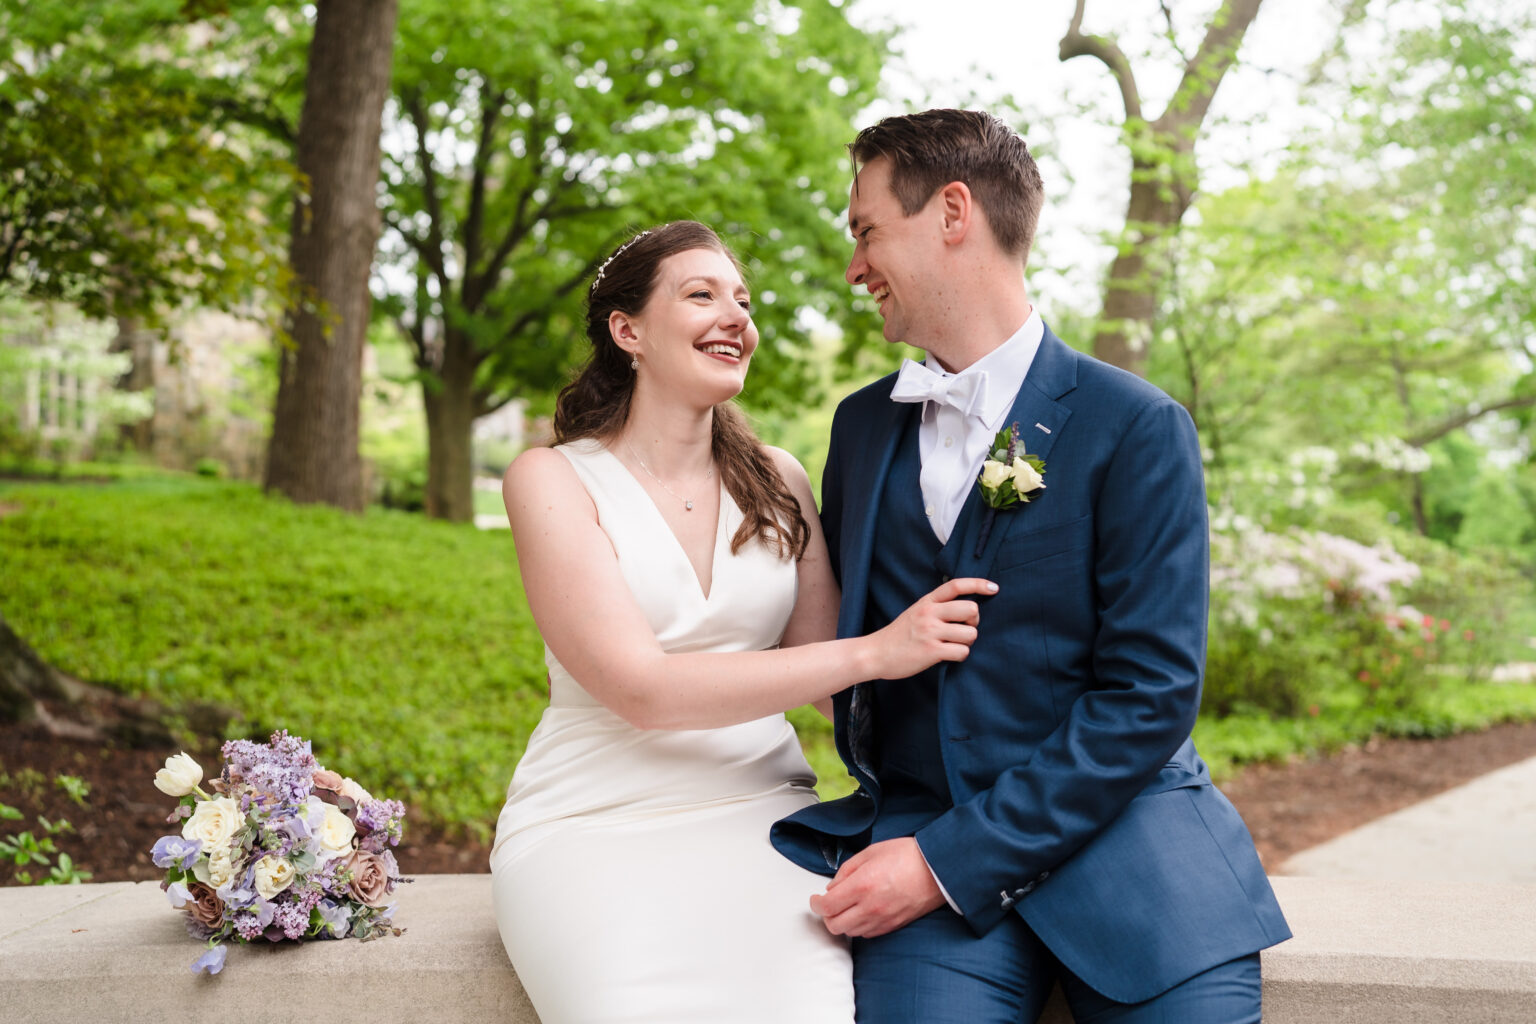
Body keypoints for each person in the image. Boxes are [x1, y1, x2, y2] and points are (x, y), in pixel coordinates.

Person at [770, 110, 1292, 1023]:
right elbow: (847, 653)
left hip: (1132, 854)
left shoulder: (1135, 425)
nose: (854, 267)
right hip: (922, 869)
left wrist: (946, 864)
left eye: (866, 230)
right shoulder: (860, 429)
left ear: (953, 212)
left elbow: (1151, 695)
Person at [489, 220, 995, 1024]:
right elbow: (644, 691)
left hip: (766, 823)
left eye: (744, 302)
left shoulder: (781, 479)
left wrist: (995, 784)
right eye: (701, 296)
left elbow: (833, 690)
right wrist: (875, 652)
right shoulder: (550, 480)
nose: (736, 318)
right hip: (591, 825)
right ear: (628, 331)